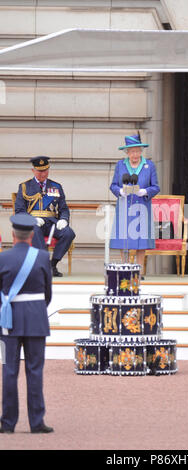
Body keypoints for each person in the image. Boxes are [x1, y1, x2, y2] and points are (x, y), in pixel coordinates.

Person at [0, 213, 53, 434]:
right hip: (36, 319)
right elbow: (48, 293)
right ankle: (37, 421)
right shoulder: (42, 257)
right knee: (35, 370)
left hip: (7, 322)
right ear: (32, 235)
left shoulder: (2, 258)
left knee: (8, 370)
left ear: (13, 235)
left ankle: (8, 422)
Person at [15, 156, 75, 277]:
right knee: (34, 230)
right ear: (33, 171)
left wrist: (63, 219)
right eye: (39, 171)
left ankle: (52, 264)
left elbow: (63, 208)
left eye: (45, 170)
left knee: (69, 233)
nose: (43, 174)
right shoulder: (25, 187)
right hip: (33, 222)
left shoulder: (56, 187)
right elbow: (19, 210)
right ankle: (42, 265)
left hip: (52, 222)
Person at [110, 134, 160, 273]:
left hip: (142, 206)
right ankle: (125, 268)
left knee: (141, 241)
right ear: (127, 152)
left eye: (138, 151)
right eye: (132, 151)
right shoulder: (120, 165)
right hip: (124, 206)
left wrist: (144, 191)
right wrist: (120, 191)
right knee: (123, 238)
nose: (135, 154)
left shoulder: (149, 166)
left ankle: (139, 271)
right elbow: (113, 185)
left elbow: (156, 187)